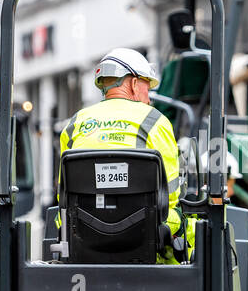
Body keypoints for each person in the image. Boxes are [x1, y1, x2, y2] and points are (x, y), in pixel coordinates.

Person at [59, 48, 183, 244]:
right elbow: (172, 196)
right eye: (147, 88)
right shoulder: (155, 120)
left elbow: (64, 196)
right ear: (134, 83)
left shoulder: (74, 124)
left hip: (84, 238)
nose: (149, 98)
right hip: (141, 239)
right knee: (184, 221)